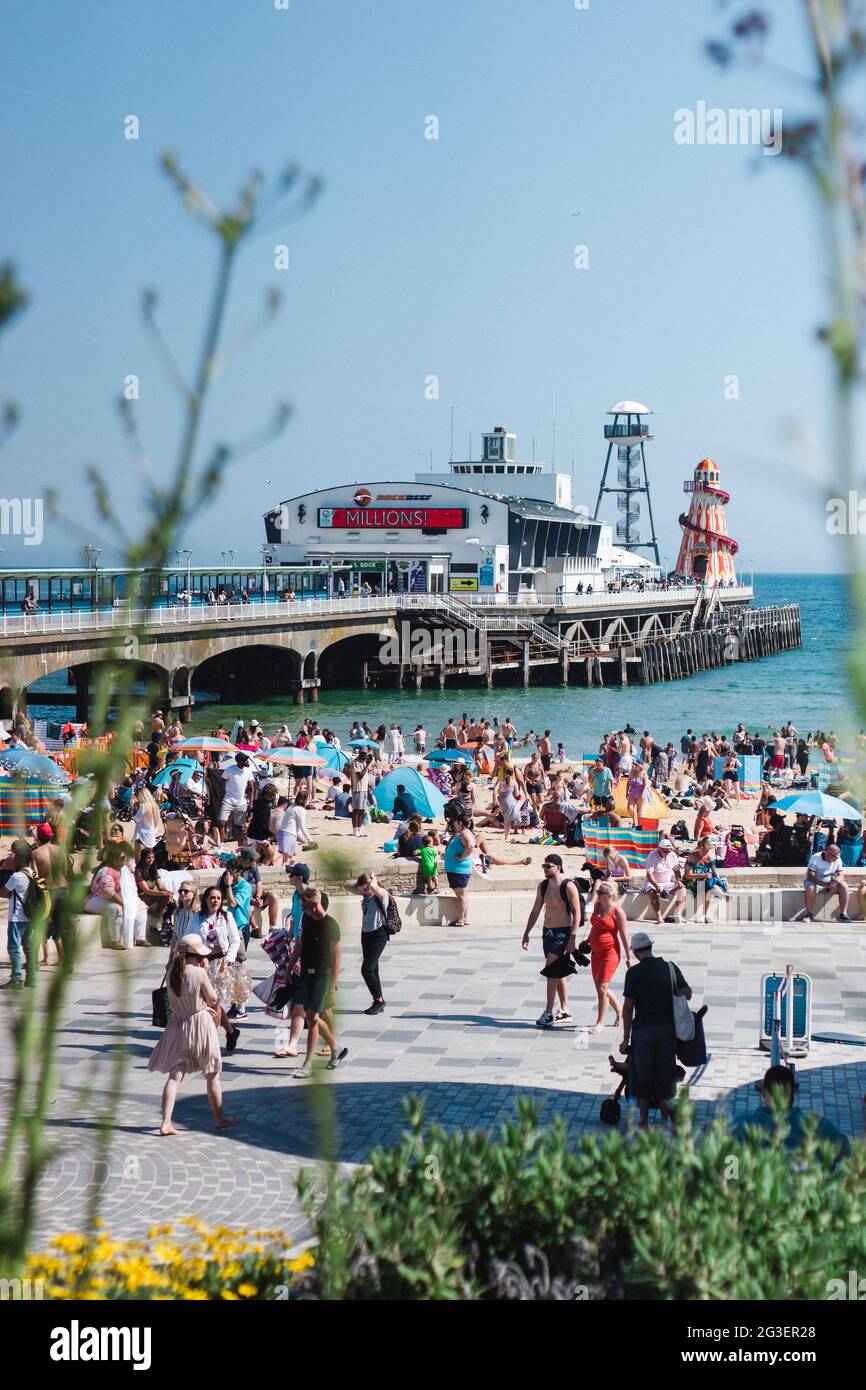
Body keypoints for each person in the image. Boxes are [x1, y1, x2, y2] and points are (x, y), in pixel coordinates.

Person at [146, 937, 238, 1136]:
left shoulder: (172, 972)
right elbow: (213, 999)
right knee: (212, 1073)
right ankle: (219, 1118)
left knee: (175, 1075)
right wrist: (206, 977)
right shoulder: (199, 973)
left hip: (178, 1023)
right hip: (199, 1022)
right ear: (196, 956)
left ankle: (166, 1122)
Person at [620, 930, 692, 1129]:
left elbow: (627, 1008)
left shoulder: (633, 973)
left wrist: (626, 1037)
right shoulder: (670, 968)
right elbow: (688, 993)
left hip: (643, 1032)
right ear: (651, 947)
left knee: (642, 1076)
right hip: (667, 1031)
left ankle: (642, 1121)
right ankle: (664, 1120)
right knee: (664, 1075)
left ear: (635, 952)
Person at [286, 887, 348, 1077]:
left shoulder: (330, 925)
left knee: (312, 1016)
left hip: (323, 975)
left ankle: (308, 1064)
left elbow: (336, 958)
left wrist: (332, 986)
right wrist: (289, 966)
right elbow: (301, 944)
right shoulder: (307, 919)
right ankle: (336, 1048)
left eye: (304, 906)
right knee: (310, 1016)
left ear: (314, 905)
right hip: (306, 973)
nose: (302, 909)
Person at [729, 1065, 850, 1157]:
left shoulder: (738, 1126)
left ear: (763, 1091)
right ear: (794, 1091)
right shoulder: (820, 1126)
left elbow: (729, 1166)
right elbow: (846, 1153)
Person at [521, 853, 582, 1028]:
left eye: (548, 866)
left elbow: (577, 913)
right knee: (557, 971)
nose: (545, 869)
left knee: (550, 969)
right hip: (548, 932)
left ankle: (548, 1012)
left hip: (563, 932)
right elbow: (535, 910)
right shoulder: (543, 886)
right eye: (544, 866)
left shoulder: (568, 886)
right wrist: (526, 933)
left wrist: (573, 938)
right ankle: (565, 1010)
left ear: (558, 867)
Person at [588, 881, 632, 1032]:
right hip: (595, 952)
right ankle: (619, 1009)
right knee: (600, 987)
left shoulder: (617, 912)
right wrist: (587, 941)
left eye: (600, 893)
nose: (597, 895)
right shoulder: (597, 906)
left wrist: (629, 957)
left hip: (610, 952)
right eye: (597, 892)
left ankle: (600, 1023)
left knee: (602, 986)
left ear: (610, 895)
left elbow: (624, 935)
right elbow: (595, 926)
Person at [0, 839, 40, 989]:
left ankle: (16, 979)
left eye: (14, 857)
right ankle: (32, 978)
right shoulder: (32, 873)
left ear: (19, 858)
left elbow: (4, 893)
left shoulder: (16, 877)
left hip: (17, 918)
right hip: (29, 916)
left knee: (14, 948)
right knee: (28, 947)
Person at [356, 871, 390, 1014]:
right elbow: (347, 886)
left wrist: (373, 881)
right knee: (373, 968)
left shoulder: (382, 894)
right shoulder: (366, 896)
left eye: (363, 888)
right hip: (366, 933)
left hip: (378, 934)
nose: (361, 891)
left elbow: (378, 891)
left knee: (367, 969)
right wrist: (364, 887)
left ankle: (379, 1000)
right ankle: (378, 999)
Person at [643, 836, 687, 924]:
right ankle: (659, 917)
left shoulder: (672, 855)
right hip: (653, 882)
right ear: (659, 848)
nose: (667, 853)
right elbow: (649, 874)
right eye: (665, 851)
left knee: (682, 888)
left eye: (669, 851)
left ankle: (678, 915)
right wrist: (656, 886)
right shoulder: (652, 855)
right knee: (652, 892)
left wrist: (678, 880)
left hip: (667, 883)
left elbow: (676, 870)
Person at [803, 842, 851, 921]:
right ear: (827, 853)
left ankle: (844, 914)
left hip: (830, 883)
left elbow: (841, 875)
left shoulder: (837, 859)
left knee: (844, 885)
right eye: (835, 856)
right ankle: (808, 914)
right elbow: (810, 876)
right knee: (811, 887)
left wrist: (836, 881)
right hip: (815, 882)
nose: (837, 858)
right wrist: (825, 884)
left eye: (838, 856)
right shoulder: (816, 857)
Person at [443, 811, 475, 927]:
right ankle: (464, 918)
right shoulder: (466, 832)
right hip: (459, 869)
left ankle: (461, 919)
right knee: (463, 895)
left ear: (460, 823)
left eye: (456, 822)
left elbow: (470, 846)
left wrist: (462, 857)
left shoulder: (465, 833)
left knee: (461, 896)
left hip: (458, 870)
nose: (454, 824)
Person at [217, 752, 254, 844]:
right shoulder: (229, 770)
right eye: (245, 760)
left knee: (239, 826)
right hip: (228, 800)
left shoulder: (248, 771)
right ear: (240, 761)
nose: (247, 761)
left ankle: (240, 845)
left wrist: (251, 802)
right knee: (221, 822)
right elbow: (221, 782)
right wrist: (223, 795)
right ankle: (221, 843)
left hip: (241, 802)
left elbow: (251, 788)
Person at [349, 750, 372, 838]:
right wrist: (367, 765)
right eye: (364, 755)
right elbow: (360, 775)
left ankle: (359, 828)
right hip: (357, 788)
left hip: (364, 789)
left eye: (366, 755)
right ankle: (355, 829)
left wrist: (367, 763)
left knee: (362, 810)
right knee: (356, 810)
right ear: (361, 754)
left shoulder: (364, 762)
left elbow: (366, 776)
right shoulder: (355, 762)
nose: (366, 757)